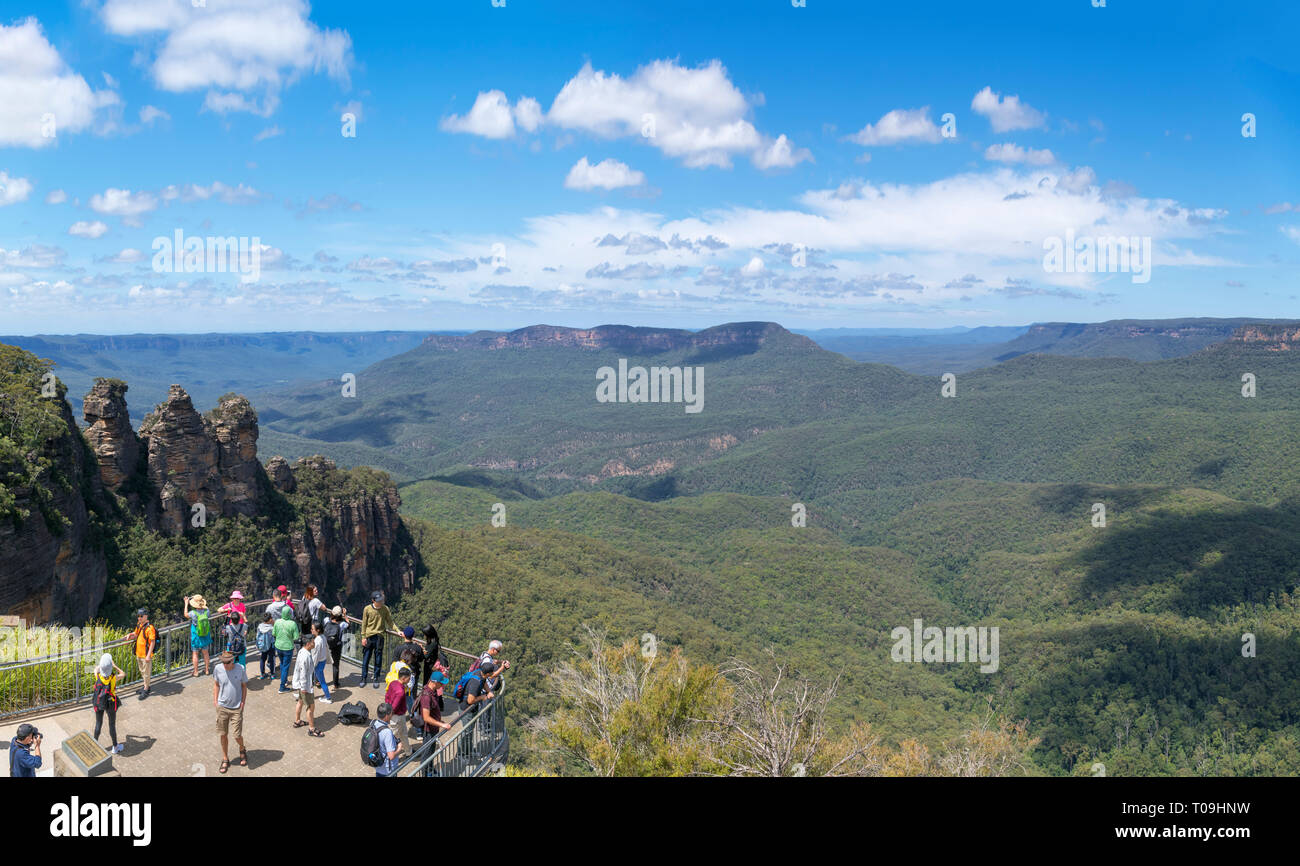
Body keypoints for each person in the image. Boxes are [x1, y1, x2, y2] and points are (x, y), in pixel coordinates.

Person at [212, 651, 248, 774]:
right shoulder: (218, 669)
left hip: (236, 708)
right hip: (222, 707)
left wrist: (243, 702)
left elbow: (244, 686)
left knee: (237, 735)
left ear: (233, 660)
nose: (225, 665)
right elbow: (216, 684)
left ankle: (242, 749)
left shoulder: (240, 669)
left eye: (227, 662)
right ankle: (225, 758)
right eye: (223, 662)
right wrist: (215, 701)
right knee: (223, 734)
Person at [91, 653, 126, 755]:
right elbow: (123, 674)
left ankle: (94, 745)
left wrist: (101, 666)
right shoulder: (113, 678)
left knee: (98, 724)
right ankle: (115, 747)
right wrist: (115, 666)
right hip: (110, 703)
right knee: (111, 725)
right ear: (110, 667)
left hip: (99, 703)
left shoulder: (98, 676)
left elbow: (95, 669)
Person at [359, 591, 394, 688]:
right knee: (366, 658)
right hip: (369, 637)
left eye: (381, 600)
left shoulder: (385, 609)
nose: (380, 602)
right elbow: (364, 624)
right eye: (378, 601)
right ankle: (364, 677)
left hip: (379, 637)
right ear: (373, 600)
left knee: (378, 659)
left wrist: (398, 630)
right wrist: (363, 637)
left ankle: (376, 678)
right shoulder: (367, 609)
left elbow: (390, 622)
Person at [292, 633, 324, 737]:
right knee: (311, 706)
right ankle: (311, 729)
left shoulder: (302, 651)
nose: (314, 643)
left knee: (300, 702)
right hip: (305, 686)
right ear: (309, 643)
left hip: (301, 685)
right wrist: (304, 687)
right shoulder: (305, 656)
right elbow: (303, 673)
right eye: (313, 642)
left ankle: (297, 721)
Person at [126, 608, 157, 700]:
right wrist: (129, 635)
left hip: (145, 655)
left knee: (146, 673)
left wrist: (148, 655)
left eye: (141, 616)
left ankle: (146, 689)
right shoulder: (140, 625)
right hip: (139, 653)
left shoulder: (150, 628)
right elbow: (136, 634)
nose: (139, 618)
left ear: (146, 616)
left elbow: (152, 642)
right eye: (138, 616)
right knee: (143, 672)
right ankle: (145, 686)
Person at [383, 665, 412, 756]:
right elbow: (394, 707)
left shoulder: (393, 683)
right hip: (397, 717)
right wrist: (389, 717)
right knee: (392, 738)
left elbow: (387, 697)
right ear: (403, 678)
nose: (409, 680)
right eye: (409, 678)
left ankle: (408, 752)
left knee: (403, 734)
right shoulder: (400, 692)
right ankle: (388, 756)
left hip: (395, 715)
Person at [417, 671, 453, 743]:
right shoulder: (426, 696)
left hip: (433, 728)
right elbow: (426, 717)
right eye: (441, 683)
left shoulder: (433, 691)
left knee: (431, 752)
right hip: (429, 731)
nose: (442, 685)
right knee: (428, 753)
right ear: (435, 683)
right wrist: (442, 724)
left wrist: (439, 721)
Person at [272, 605, 299, 693]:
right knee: (285, 667)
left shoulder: (277, 622)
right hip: (288, 648)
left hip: (278, 646)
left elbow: (274, 633)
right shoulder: (293, 624)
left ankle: (285, 680)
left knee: (283, 664)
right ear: (290, 614)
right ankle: (282, 687)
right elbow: (296, 637)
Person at [184, 594, 213, 677]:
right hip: (205, 634)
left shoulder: (193, 613)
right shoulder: (207, 611)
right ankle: (207, 670)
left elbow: (186, 614)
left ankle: (196, 672)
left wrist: (186, 603)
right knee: (206, 653)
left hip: (196, 635)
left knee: (195, 653)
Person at [371, 703, 400, 777]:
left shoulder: (373, 723)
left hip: (378, 766)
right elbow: (391, 756)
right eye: (391, 713)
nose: (392, 715)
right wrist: (399, 748)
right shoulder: (387, 732)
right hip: (388, 770)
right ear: (387, 716)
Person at [324, 606, 348, 689]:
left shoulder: (326, 620)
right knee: (335, 665)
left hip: (326, 644)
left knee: (321, 662)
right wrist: (345, 615)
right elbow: (348, 624)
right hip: (336, 646)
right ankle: (335, 684)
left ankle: (317, 681)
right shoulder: (342, 624)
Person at [309, 622, 332, 703]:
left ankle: (328, 697)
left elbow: (315, 656)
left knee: (322, 681)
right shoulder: (323, 637)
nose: (311, 630)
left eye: (312, 629)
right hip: (322, 661)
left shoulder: (317, 641)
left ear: (318, 630)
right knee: (319, 680)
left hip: (318, 663)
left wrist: (311, 666)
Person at [420, 623, 442, 689]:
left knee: (427, 683)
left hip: (430, 666)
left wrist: (421, 649)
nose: (424, 635)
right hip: (430, 665)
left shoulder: (433, 644)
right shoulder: (433, 641)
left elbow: (426, 656)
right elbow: (428, 651)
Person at [256, 612, 277, 679]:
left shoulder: (260, 626)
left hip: (263, 645)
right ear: (270, 619)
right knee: (271, 660)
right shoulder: (271, 628)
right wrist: (274, 624)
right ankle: (272, 674)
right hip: (271, 645)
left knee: (263, 659)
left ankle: (262, 674)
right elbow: (275, 634)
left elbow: (257, 636)